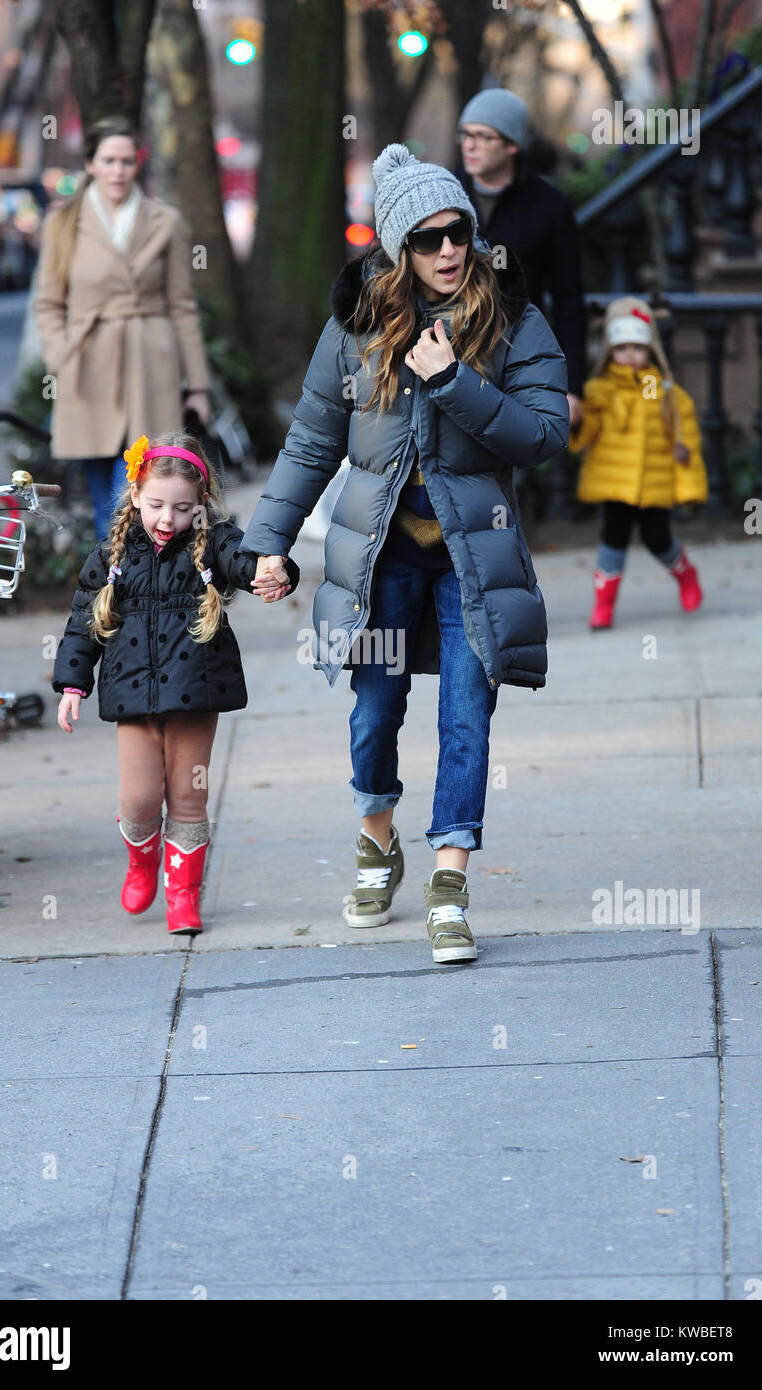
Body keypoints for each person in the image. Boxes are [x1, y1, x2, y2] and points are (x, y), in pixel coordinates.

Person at [242, 143, 568, 965]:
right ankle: (377, 838)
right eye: (428, 239)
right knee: (375, 713)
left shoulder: (512, 320)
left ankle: (449, 887)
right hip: (381, 557)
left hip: (471, 556)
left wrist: (456, 380)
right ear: (398, 247)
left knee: (466, 716)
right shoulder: (355, 329)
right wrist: (265, 543)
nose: (449, 251)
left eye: (459, 232)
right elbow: (311, 443)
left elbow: (543, 435)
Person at [52, 431, 299, 934]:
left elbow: (246, 560)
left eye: (183, 509)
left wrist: (274, 571)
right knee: (139, 798)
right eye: (157, 505)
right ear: (136, 495)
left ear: (201, 503)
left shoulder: (215, 542)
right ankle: (143, 861)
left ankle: (183, 894)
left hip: (195, 692)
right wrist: (73, 682)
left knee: (189, 795)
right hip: (131, 694)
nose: (168, 519)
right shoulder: (113, 554)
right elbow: (83, 621)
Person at [34, 116, 212, 540]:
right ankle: (113, 578)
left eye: (127, 161)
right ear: (90, 163)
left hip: (150, 369)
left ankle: (127, 576)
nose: (118, 170)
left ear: (138, 164)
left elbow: (182, 307)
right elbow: (48, 303)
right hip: (87, 368)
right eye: (108, 160)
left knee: (139, 495)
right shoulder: (63, 223)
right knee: (105, 503)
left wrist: (198, 386)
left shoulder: (165, 221)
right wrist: (60, 358)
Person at [570, 297, 707, 629]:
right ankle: (604, 605)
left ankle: (685, 573)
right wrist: (577, 421)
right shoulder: (600, 391)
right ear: (610, 351)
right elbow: (587, 433)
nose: (630, 355)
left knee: (658, 538)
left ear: (651, 348)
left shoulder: (665, 393)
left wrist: (688, 481)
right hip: (616, 483)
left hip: (653, 483)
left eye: (638, 347)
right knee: (613, 539)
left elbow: (684, 436)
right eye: (621, 347)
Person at [455, 88, 585, 426]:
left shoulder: (549, 206)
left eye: (483, 137)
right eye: (465, 135)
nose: (469, 145)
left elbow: (569, 300)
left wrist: (571, 387)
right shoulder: (447, 194)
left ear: (512, 144)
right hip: (451, 357)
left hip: (520, 361)